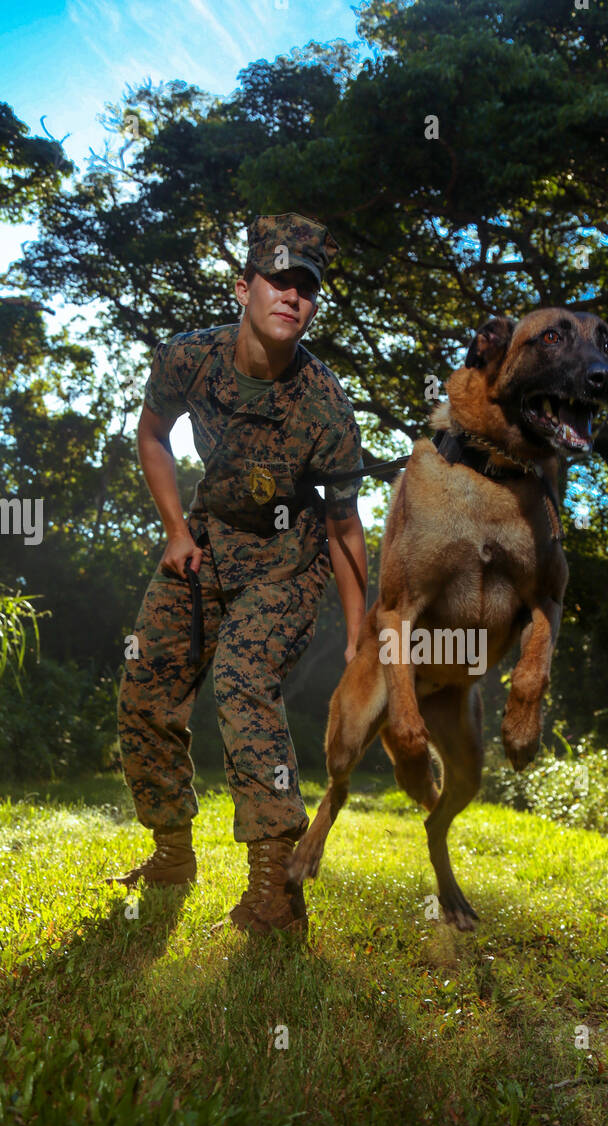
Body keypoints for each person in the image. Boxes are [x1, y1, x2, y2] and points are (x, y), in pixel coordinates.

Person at [112, 212, 367, 937]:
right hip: (207, 545)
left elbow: (347, 526)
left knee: (242, 680)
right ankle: (171, 853)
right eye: (277, 280)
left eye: (306, 288)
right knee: (145, 686)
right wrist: (174, 529)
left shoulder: (327, 406)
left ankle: (273, 892)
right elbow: (152, 434)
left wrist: (357, 638)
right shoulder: (187, 359)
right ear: (243, 288)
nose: (291, 296)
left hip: (289, 561)